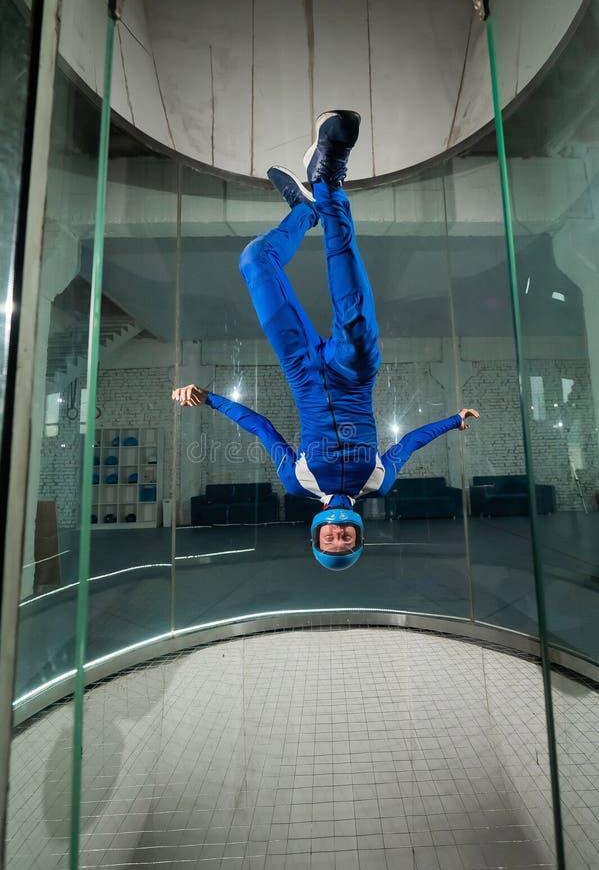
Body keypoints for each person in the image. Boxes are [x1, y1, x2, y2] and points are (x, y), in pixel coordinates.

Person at [173, 111, 479, 570]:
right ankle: (329, 181)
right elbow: (409, 443)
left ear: (317, 533)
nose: (339, 532)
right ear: (358, 534)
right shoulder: (378, 482)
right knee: (355, 317)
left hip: (301, 370)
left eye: (330, 539)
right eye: (346, 538)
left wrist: (209, 399)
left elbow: (261, 428)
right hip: (353, 374)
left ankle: (302, 212)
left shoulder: (297, 482)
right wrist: (453, 421)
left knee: (255, 259)